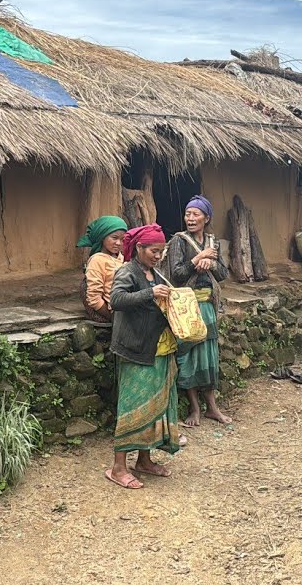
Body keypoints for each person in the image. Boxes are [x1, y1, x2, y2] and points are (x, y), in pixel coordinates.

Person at [105, 224, 181, 489]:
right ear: (139, 247)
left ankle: (144, 460)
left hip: (158, 349)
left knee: (153, 406)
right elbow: (116, 299)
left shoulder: (155, 273)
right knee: (132, 406)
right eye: (153, 251)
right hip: (135, 349)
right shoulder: (127, 271)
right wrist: (151, 293)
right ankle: (118, 468)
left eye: (161, 251)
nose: (158, 256)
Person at [167, 195, 231, 427]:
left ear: (207, 218)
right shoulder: (179, 241)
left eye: (195, 214)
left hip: (207, 306)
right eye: (187, 214)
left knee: (208, 356)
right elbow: (176, 274)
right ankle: (194, 408)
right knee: (189, 356)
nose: (190, 218)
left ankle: (212, 408)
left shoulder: (213, 242)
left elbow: (223, 274)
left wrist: (211, 263)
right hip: (187, 307)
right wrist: (198, 259)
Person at [76, 216, 128, 322]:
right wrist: (115, 319)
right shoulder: (97, 260)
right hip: (116, 313)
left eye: (122, 239)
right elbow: (94, 299)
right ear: (102, 237)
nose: (119, 243)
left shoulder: (121, 258)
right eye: (114, 238)